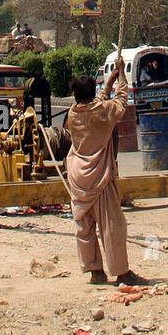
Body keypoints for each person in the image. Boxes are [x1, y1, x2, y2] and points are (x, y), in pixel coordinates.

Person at [65, 58, 144, 286]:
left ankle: (95, 271)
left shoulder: (73, 113)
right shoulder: (102, 112)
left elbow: (98, 101)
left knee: (85, 227)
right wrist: (121, 76)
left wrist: (108, 82)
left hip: (78, 177)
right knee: (112, 226)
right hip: (99, 176)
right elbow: (120, 101)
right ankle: (121, 273)